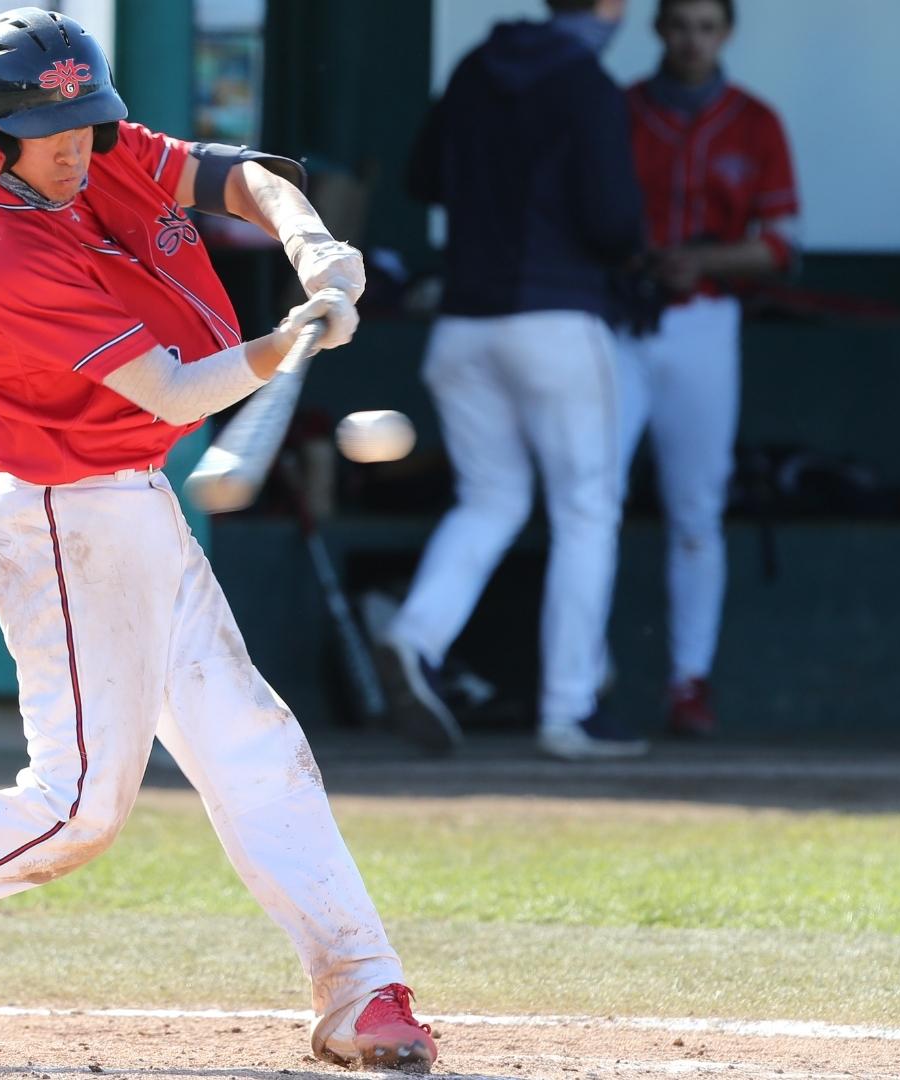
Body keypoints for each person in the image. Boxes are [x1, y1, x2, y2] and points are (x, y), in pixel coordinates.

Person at [0, 9, 439, 1070]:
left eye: (86, 120)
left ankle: (361, 988)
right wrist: (287, 339)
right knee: (76, 810)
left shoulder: (98, 149)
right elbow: (175, 386)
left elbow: (240, 178)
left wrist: (313, 247)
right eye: (48, 128)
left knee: (252, 745)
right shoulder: (6, 249)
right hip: (65, 522)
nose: (76, 146)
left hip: (135, 501)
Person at [388, 0, 647, 760]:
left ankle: (414, 636)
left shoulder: (474, 68)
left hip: (464, 324)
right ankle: (570, 708)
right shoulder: (588, 81)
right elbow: (614, 219)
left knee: (492, 499)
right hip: (557, 320)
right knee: (587, 511)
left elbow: (422, 177)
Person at [614, 0, 800, 737]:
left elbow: (783, 244)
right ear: (658, 29)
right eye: (680, 24)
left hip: (706, 319)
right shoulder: (621, 109)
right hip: (621, 319)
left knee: (697, 510)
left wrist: (704, 260)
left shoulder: (756, 120)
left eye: (707, 26)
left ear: (726, 34)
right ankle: (579, 684)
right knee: (588, 502)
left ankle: (689, 680)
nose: (692, 39)